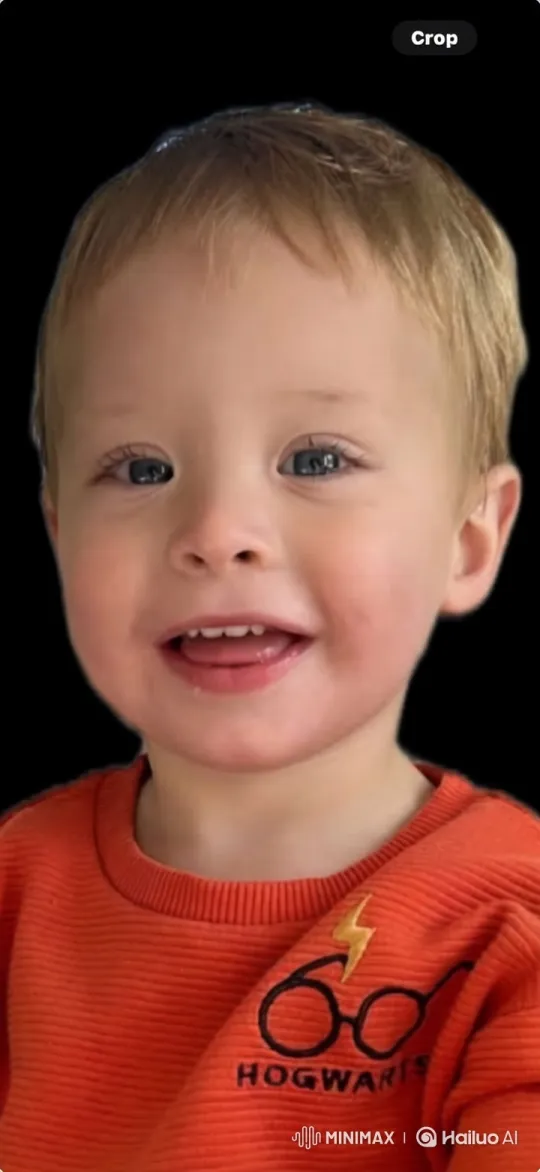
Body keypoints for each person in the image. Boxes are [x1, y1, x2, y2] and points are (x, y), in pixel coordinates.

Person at [1, 102, 538, 1171]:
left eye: (318, 457)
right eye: (142, 468)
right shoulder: (14, 890)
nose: (216, 534)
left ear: (469, 539)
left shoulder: (508, 926)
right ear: (59, 533)